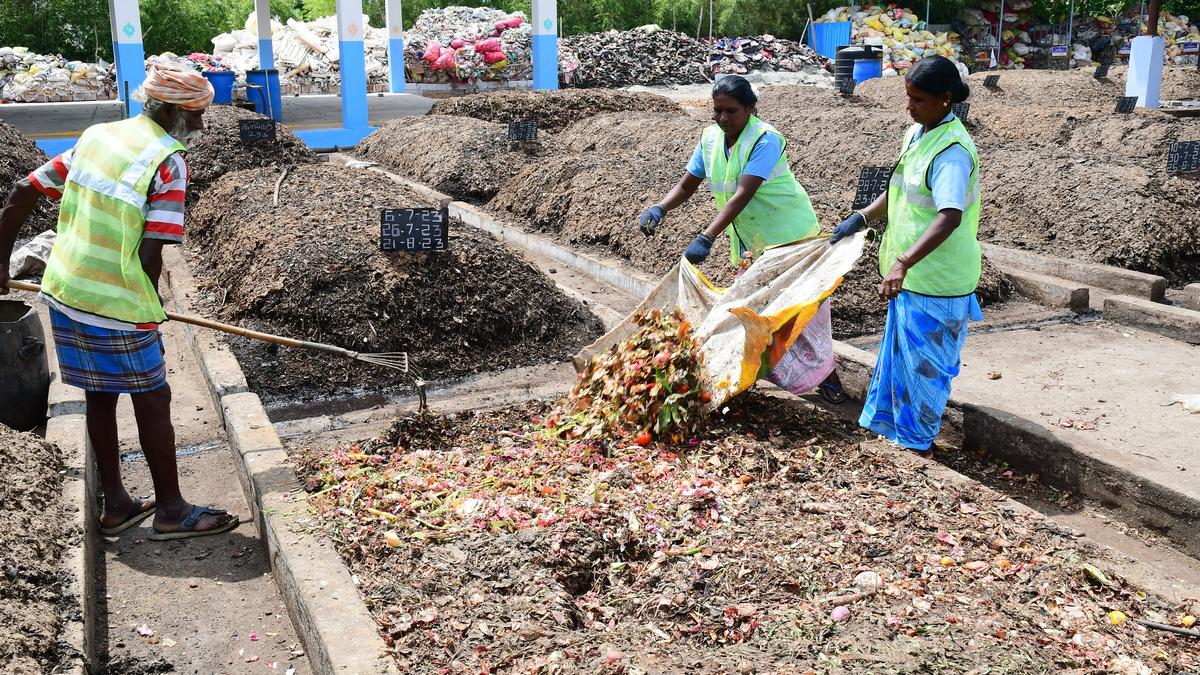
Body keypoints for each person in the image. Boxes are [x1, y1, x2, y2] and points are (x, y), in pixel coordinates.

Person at [0, 64, 240, 539]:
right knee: (153, 397)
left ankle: (117, 505)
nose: (199, 125)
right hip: (115, 301)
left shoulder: (98, 136)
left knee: (100, 393)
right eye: (195, 115)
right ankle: (171, 511)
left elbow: (24, 189)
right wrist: (148, 310)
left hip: (66, 290)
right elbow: (151, 253)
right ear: (170, 110)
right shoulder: (168, 160)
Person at [637, 75, 845, 403]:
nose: (722, 118)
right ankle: (750, 376)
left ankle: (827, 377)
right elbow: (687, 185)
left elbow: (743, 194)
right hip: (752, 242)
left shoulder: (765, 139)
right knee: (756, 312)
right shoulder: (710, 139)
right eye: (717, 111)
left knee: (801, 313)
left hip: (789, 238)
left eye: (731, 111)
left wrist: (707, 236)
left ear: (750, 108)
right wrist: (660, 208)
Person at [829, 55, 983, 452]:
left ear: (945, 99)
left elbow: (949, 216)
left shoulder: (951, 152)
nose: (909, 106)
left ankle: (917, 445)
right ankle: (896, 435)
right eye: (908, 96)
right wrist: (862, 217)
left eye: (917, 100)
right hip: (913, 280)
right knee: (902, 364)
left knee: (924, 370)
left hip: (937, 281)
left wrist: (903, 262)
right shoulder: (917, 135)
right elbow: (898, 189)